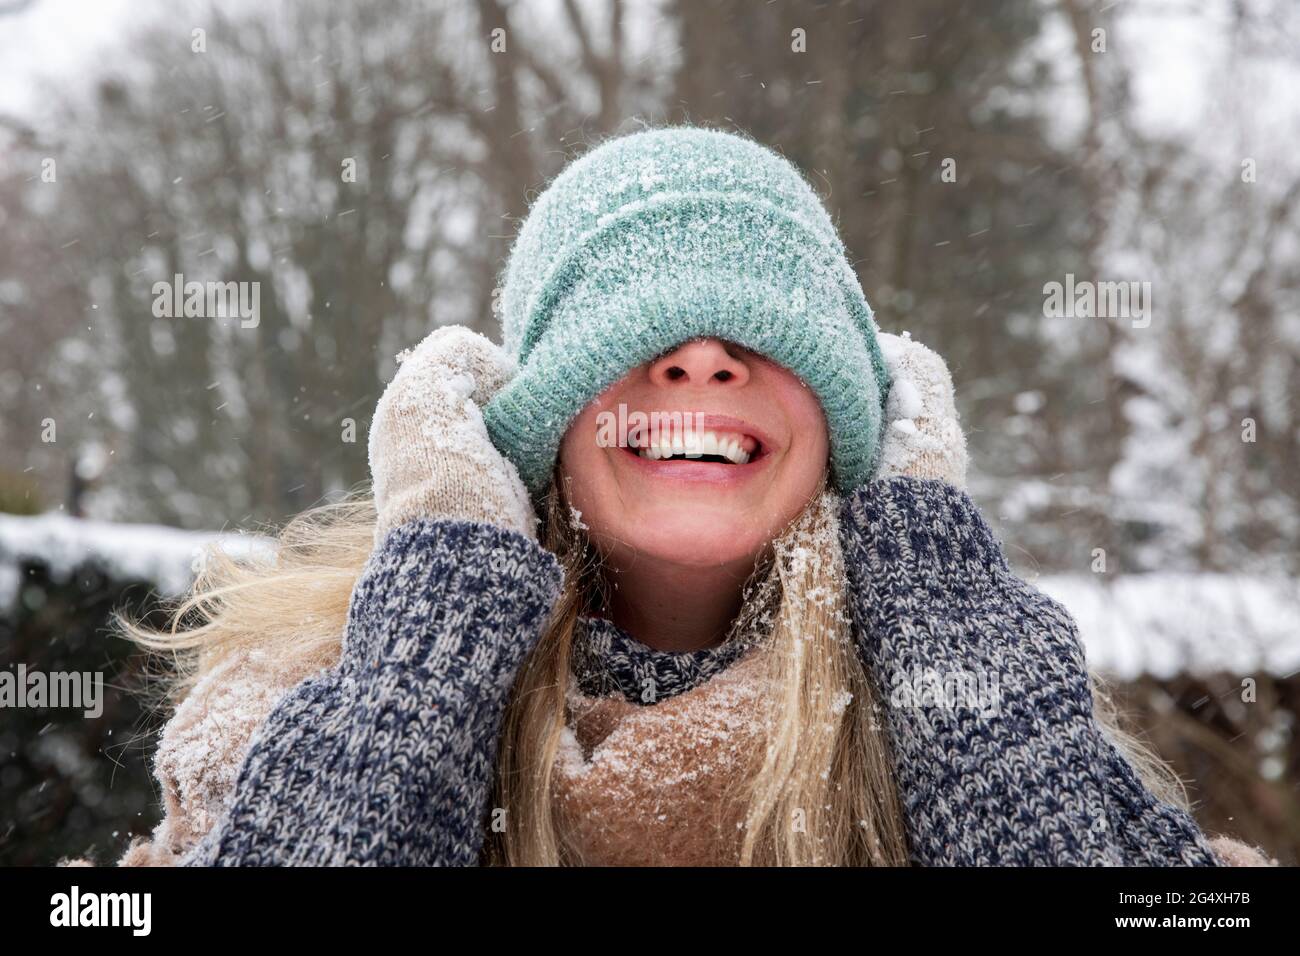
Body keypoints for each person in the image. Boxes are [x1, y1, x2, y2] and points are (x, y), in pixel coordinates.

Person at [88, 127, 1272, 867]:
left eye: (765, 336)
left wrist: (936, 605)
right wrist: (438, 615)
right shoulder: (303, 703)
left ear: (850, 428)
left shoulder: (1006, 708)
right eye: (633, 332)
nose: (701, 361)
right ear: (535, 419)